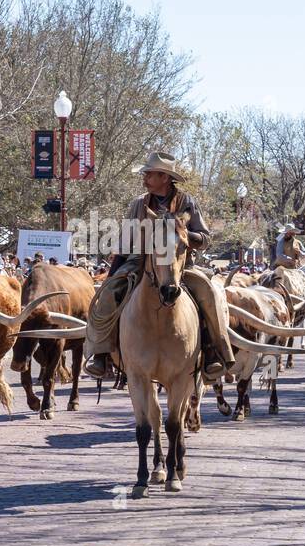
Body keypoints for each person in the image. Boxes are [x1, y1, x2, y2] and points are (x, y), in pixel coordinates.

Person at [83, 151, 235, 382]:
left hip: (181, 264)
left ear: (164, 177)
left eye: (149, 174)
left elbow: (204, 238)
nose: (144, 178)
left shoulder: (186, 202)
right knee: (107, 296)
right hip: (139, 263)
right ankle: (101, 353)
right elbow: (125, 244)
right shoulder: (138, 204)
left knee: (209, 293)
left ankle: (214, 351)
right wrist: (111, 278)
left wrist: (184, 233)